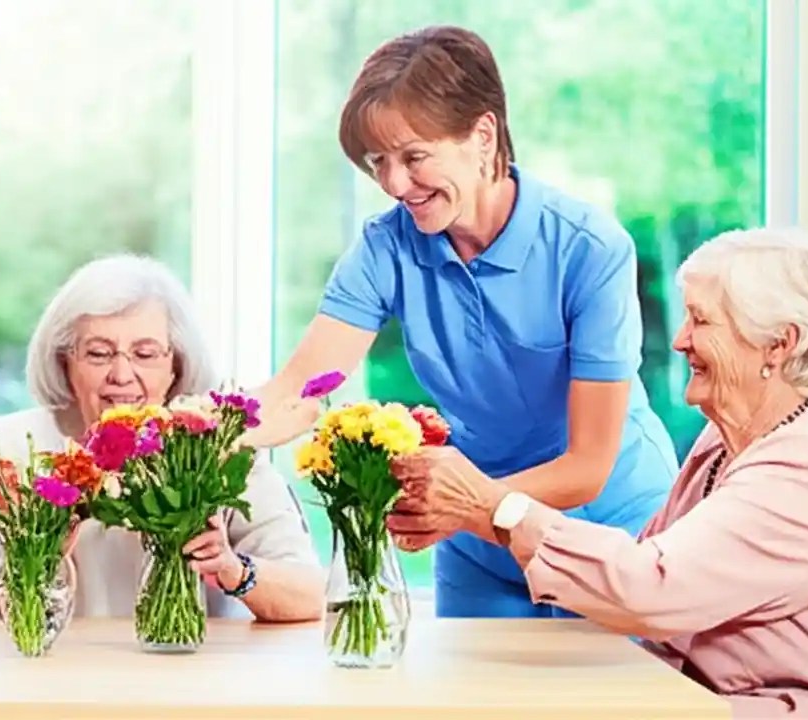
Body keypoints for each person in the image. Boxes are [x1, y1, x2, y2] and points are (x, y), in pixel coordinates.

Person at [242, 25, 678, 618]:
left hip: (610, 531)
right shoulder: (386, 249)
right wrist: (201, 431)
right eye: (378, 163)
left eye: (414, 157)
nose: (394, 184)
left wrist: (464, 502)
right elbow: (299, 392)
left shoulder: (589, 249)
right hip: (477, 545)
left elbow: (589, 466)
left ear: (482, 134)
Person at [390, 227, 808, 718]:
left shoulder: (803, 468)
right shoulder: (724, 440)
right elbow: (649, 569)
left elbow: (654, 587)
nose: (680, 341)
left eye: (701, 321)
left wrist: (496, 507)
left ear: (778, 344)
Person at [0, 254, 324, 622]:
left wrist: (234, 569)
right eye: (98, 353)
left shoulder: (217, 444)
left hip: (191, 672)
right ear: (65, 362)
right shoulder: (13, 446)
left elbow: (308, 594)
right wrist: (41, 553)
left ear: (176, 366)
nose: (121, 374)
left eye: (145, 353)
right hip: (52, 669)